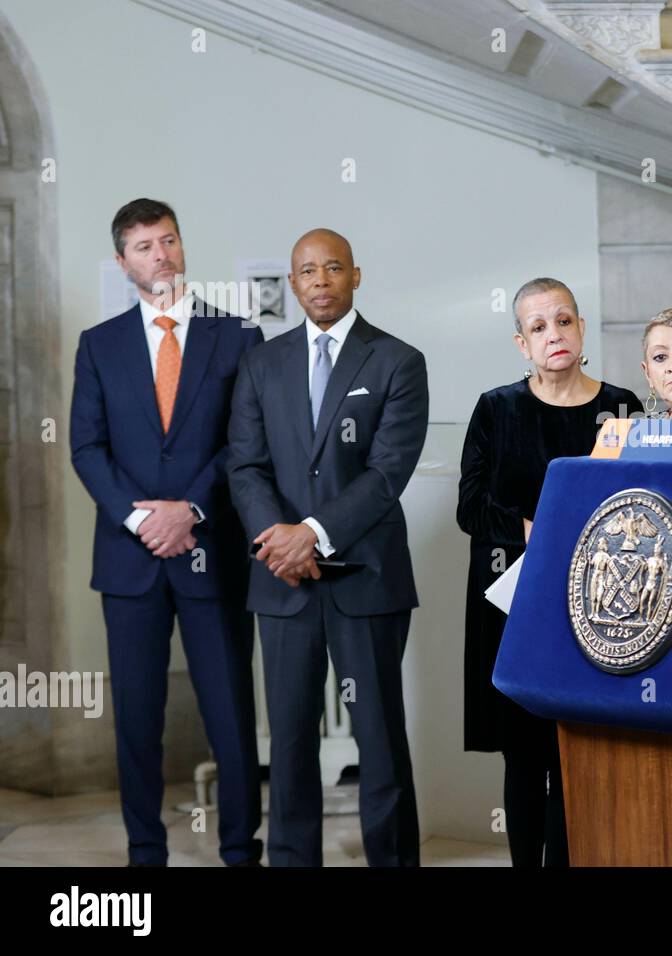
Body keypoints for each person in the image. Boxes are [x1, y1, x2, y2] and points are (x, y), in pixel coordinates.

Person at [69, 198, 264, 867]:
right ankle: (145, 854)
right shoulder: (99, 345)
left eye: (170, 240)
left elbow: (246, 445)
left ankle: (242, 850)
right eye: (145, 246)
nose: (162, 255)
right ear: (123, 262)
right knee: (136, 721)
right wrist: (142, 519)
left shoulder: (238, 337)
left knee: (232, 716)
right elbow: (86, 449)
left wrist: (190, 512)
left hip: (213, 552)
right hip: (130, 562)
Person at [227, 228, 428, 867]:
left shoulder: (398, 360)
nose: (319, 280)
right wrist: (280, 542)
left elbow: (386, 473)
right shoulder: (261, 363)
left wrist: (310, 534)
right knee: (287, 743)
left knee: (379, 739)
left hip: (365, 582)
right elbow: (245, 466)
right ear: (293, 284)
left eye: (332, 267)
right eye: (307, 271)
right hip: (282, 583)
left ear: (356, 276)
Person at [457, 277, 641, 867]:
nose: (553, 334)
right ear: (521, 343)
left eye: (563, 321)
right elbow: (470, 507)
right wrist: (540, 529)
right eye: (538, 327)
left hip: (599, 604)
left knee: (575, 753)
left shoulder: (622, 407)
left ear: (582, 329)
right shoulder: (496, 407)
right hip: (513, 606)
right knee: (524, 755)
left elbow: (636, 502)